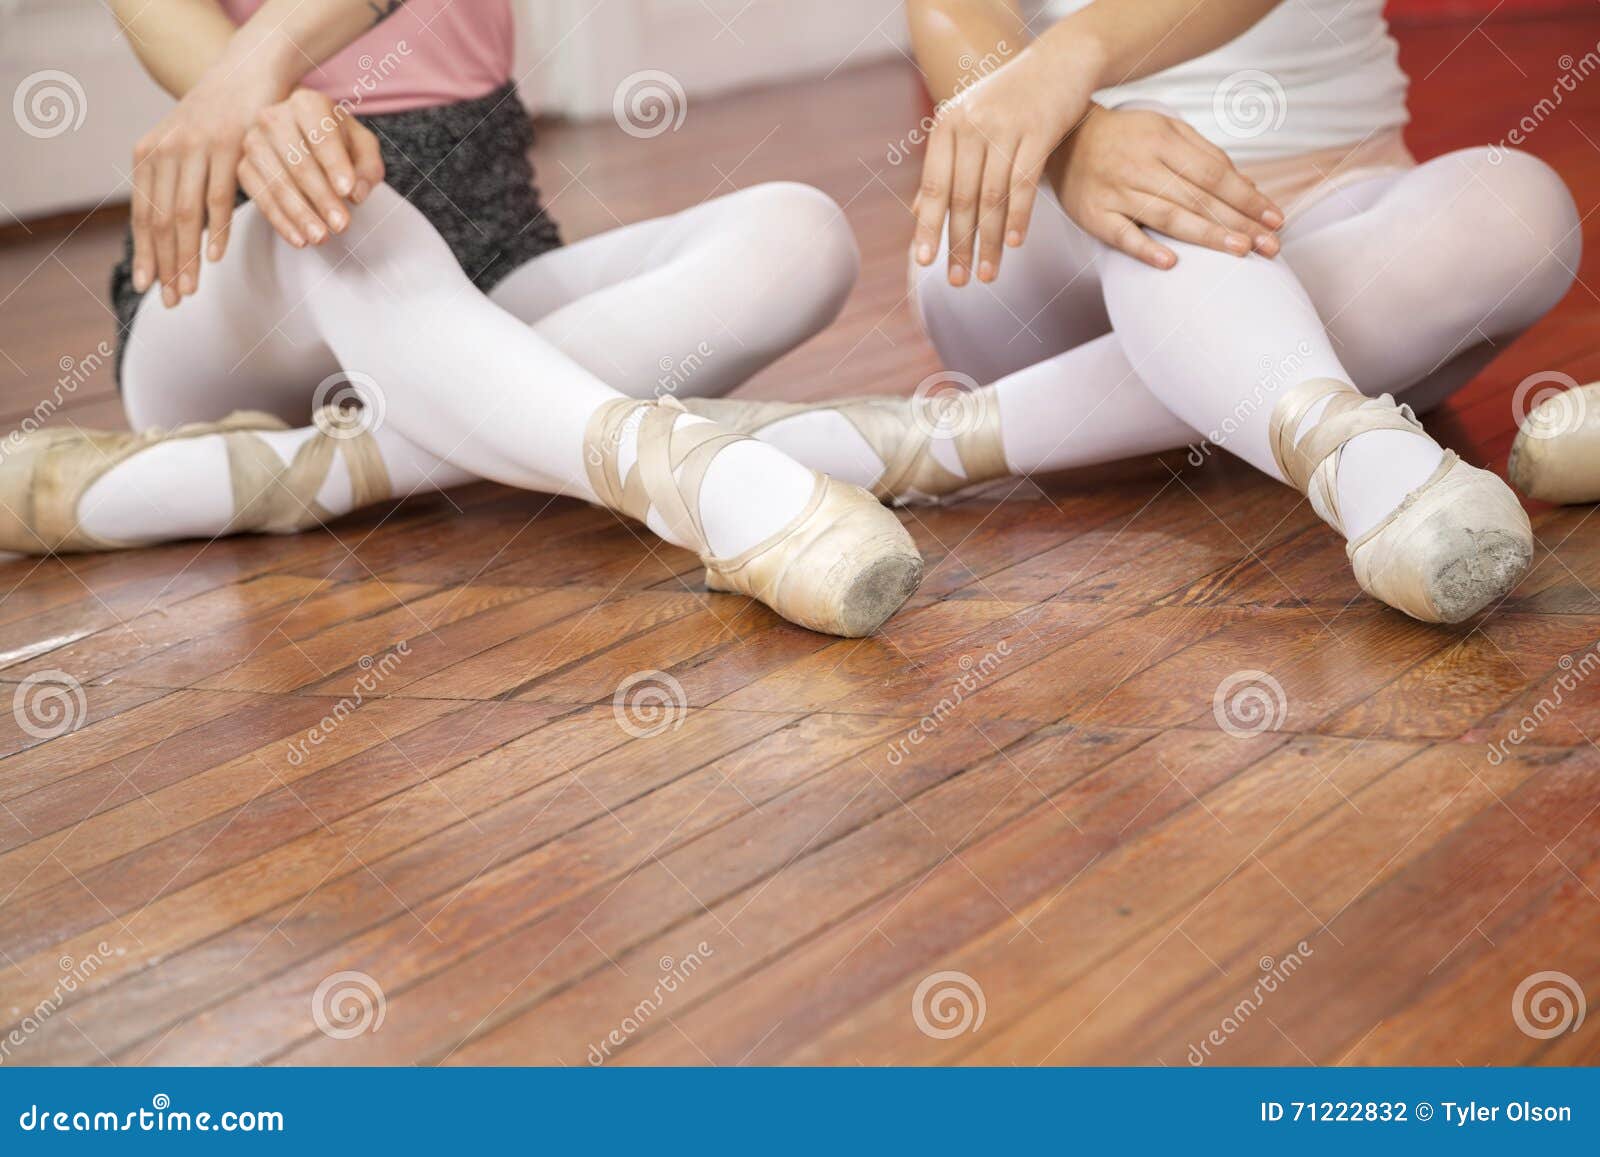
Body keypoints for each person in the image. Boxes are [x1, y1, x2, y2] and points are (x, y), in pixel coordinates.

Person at [0, 0, 922, 638]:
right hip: (227, 308)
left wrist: (255, 69)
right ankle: (689, 480)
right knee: (347, 205)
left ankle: (313, 469)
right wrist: (270, 117)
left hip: (484, 265)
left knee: (801, 235)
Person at [683, 0, 1582, 623]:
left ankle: (922, 441)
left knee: (1521, 214)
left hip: (1339, 214)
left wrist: (1069, 62)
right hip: (1038, 247)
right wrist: (1080, 141)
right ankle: (1355, 453)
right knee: (1161, 165)